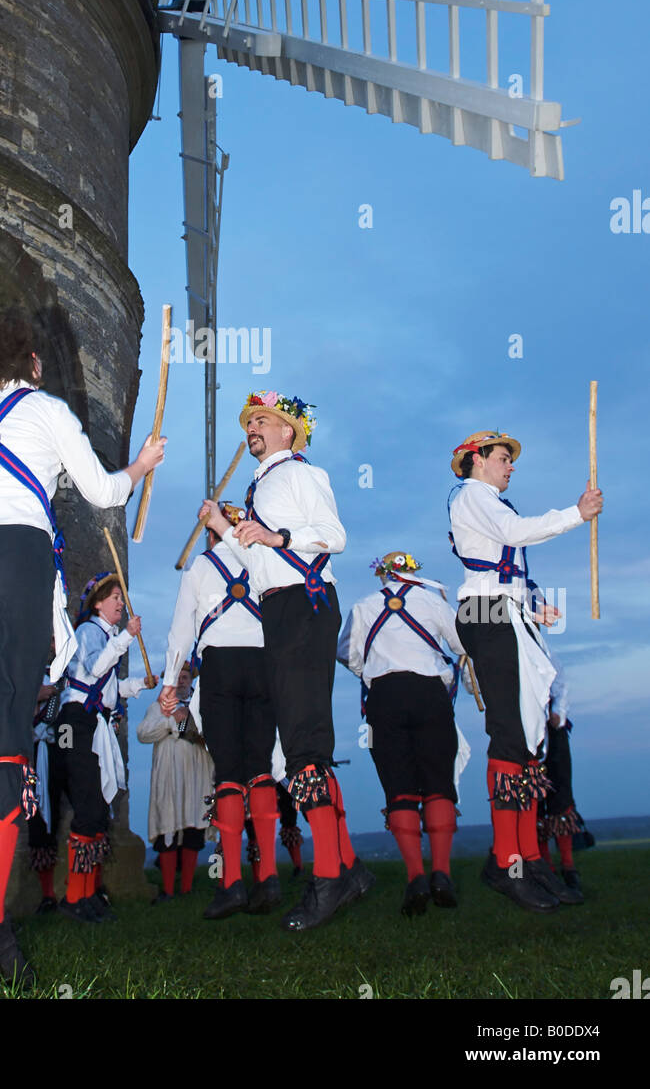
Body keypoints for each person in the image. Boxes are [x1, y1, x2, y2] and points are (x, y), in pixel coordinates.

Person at [0, 307, 165, 978]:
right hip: (10, 559)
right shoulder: (46, 410)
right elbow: (103, 490)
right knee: (4, 734)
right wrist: (141, 464)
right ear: (35, 366)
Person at [199, 390, 374, 932]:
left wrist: (275, 534)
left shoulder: (303, 474)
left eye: (262, 419)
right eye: (249, 420)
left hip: (306, 603)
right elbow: (259, 557)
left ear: (289, 431)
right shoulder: (260, 485)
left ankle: (328, 880)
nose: (251, 425)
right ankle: (347, 866)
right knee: (300, 738)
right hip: (279, 609)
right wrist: (226, 527)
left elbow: (335, 538)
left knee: (303, 743)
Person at [448, 429, 601, 913]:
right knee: (512, 735)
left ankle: (530, 859)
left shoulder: (491, 502)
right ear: (475, 460)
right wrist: (577, 514)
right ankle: (507, 862)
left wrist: (536, 608)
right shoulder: (470, 494)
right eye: (501, 457)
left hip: (505, 611)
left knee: (530, 738)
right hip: (487, 614)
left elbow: (504, 568)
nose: (510, 465)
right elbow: (513, 539)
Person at [159, 516, 281, 918]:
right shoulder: (263, 560)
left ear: (211, 533)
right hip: (264, 662)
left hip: (220, 667)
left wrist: (168, 683)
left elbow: (181, 631)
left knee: (228, 773)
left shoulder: (199, 567)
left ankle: (232, 884)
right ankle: (268, 877)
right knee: (260, 768)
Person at [338, 552, 467, 916]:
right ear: (413, 573)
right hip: (429, 694)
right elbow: (461, 644)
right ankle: (442, 874)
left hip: (384, 698)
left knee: (399, 787)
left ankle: (416, 878)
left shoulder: (364, 606)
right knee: (440, 783)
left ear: (382, 576)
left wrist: (370, 672)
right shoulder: (430, 600)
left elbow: (345, 652)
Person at [55, 571, 156, 923]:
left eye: (121, 598)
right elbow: (95, 669)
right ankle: (74, 898)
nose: (120, 603)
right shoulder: (88, 632)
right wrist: (126, 638)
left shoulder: (106, 635)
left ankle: (89, 894)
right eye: (114, 597)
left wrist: (139, 684)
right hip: (76, 723)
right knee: (87, 807)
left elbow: (108, 688)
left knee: (96, 811)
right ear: (97, 602)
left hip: (93, 723)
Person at [138, 663, 214, 903]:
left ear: (192, 680)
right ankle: (169, 890)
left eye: (185, 677)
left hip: (197, 774)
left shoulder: (202, 706)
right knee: (167, 826)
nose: (181, 681)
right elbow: (143, 734)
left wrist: (189, 721)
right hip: (169, 776)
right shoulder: (158, 707)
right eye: (177, 677)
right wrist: (172, 721)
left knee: (194, 827)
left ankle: (187, 889)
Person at [538, 657, 584, 900]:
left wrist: (558, 712)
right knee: (534, 800)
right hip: (526, 732)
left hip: (553, 733)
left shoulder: (547, 654)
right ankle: (546, 868)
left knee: (561, 796)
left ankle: (568, 866)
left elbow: (560, 684)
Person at [26, 662, 61, 914]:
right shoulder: (19, 676)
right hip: (28, 760)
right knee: (34, 820)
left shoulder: (58, 678)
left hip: (52, 756)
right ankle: (43, 893)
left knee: (53, 819)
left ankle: (57, 893)